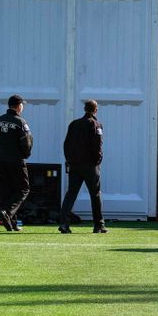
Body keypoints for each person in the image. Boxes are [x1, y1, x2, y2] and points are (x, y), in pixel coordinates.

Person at [0, 94, 33, 232]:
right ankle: (8, 211)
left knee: (9, 191)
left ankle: (12, 223)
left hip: (1, 162)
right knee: (24, 189)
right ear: (19, 106)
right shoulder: (20, 122)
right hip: (16, 161)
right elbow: (26, 142)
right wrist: (25, 155)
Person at [61, 99, 106, 234]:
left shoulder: (74, 124)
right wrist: (98, 160)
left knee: (71, 194)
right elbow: (97, 145)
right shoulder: (96, 125)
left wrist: (69, 160)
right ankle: (99, 224)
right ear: (95, 110)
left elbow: (66, 144)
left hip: (75, 164)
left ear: (84, 109)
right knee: (95, 194)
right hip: (90, 165)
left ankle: (64, 223)